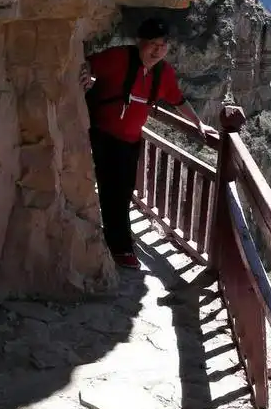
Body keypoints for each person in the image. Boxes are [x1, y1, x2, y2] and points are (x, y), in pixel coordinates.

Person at [80, 18, 208, 269]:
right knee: (111, 190)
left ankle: (116, 239)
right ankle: (121, 248)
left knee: (123, 191)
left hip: (130, 140)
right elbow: (88, 64)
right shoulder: (119, 58)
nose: (158, 50)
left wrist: (198, 123)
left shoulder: (164, 73)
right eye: (152, 44)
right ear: (140, 42)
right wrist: (85, 71)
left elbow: (178, 100)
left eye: (163, 45)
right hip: (104, 133)